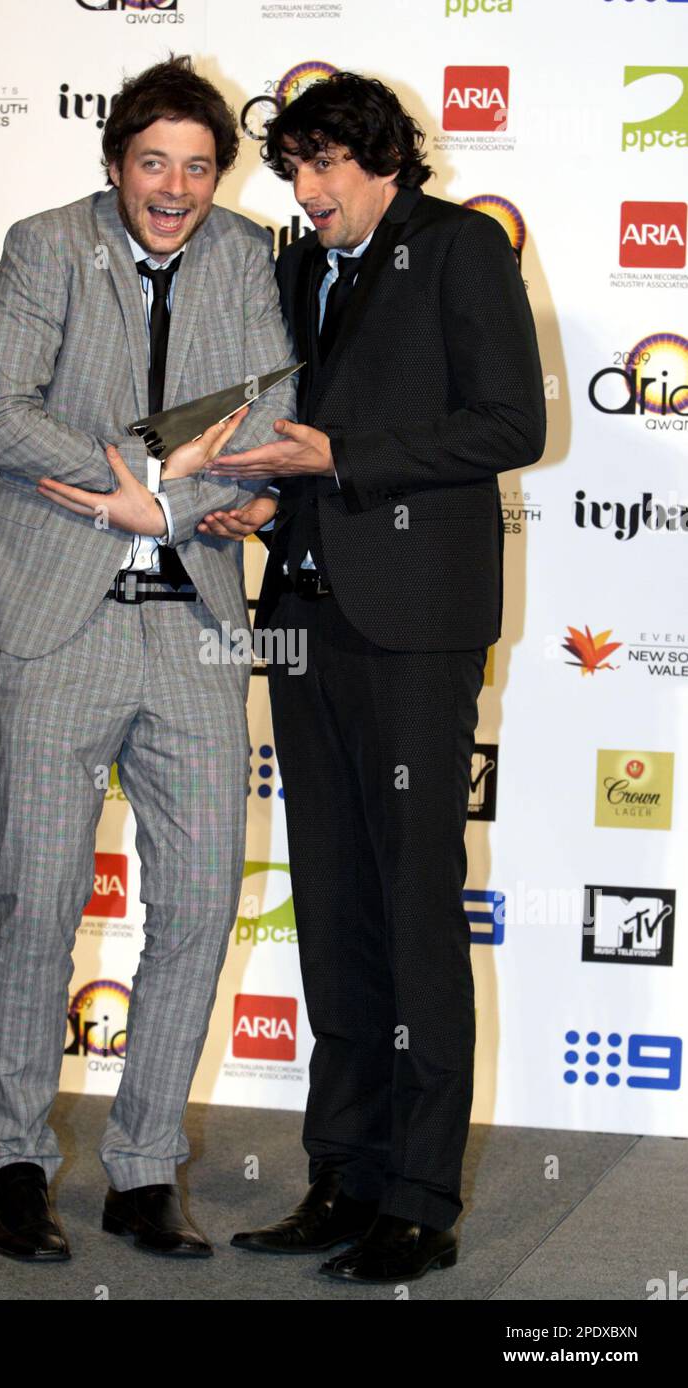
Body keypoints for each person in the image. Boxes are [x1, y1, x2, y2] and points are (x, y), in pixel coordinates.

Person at [202, 71, 546, 1283]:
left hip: (412, 628)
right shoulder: (299, 268)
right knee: (332, 902)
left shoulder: (458, 250)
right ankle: (339, 1174)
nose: (303, 192)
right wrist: (271, 489)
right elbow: (299, 433)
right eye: (289, 170)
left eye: (320, 167)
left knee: (409, 903)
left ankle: (419, 1198)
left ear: (380, 158)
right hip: (301, 613)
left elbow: (511, 425)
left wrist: (343, 457)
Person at [0, 54, 294, 1263]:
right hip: (63, 621)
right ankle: (12, 1161)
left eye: (197, 166)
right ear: (115, 165)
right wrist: (146, 489)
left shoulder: (245, 254)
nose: (175, 187)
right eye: (153, 163)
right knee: (39, 901)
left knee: (200, 903)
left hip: (194, 622)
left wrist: (172, 501)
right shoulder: (48, 245)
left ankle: (145, 1170)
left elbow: (262, 417)